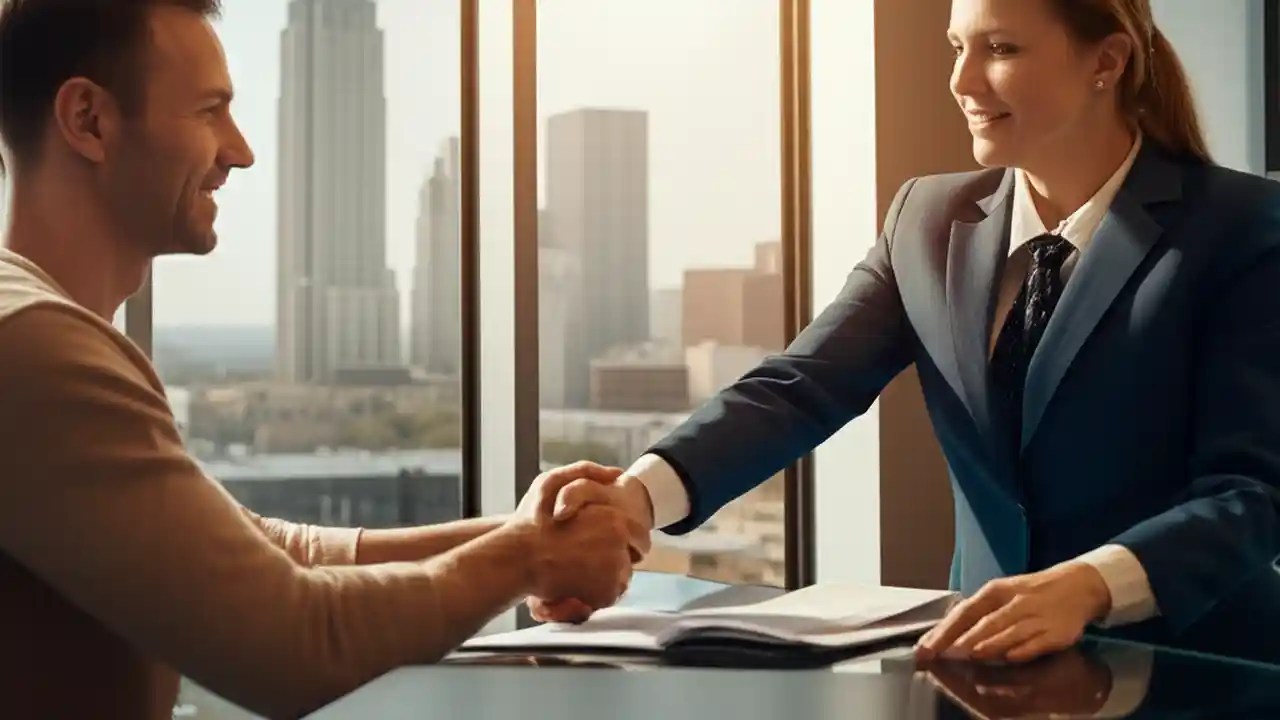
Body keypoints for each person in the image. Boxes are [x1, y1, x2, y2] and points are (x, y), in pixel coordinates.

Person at [534, 0, 1280, 665]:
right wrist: (637, 499)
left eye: (1001, 49)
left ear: (1107, 61)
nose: (962, 80)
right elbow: (800, 389)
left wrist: (1092, 585)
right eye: (957, 47)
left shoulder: (1244, 228)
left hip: (1202, 673)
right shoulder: (927, 221)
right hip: (986, 672)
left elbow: (1252, 493)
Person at [0, 1, 647, 718]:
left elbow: (270, 553)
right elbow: (292, 639)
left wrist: (521, 531)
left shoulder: (39, 331)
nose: (239, 151)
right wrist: (529, 558)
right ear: (88, 119)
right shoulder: (33, 347)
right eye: (209, 111)